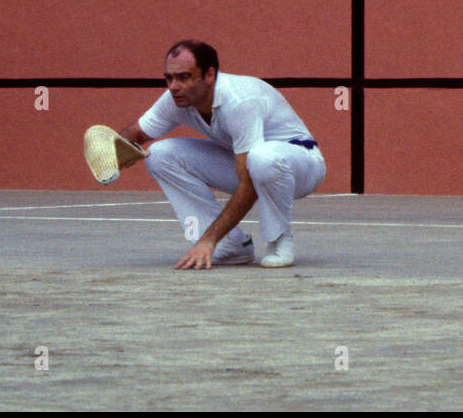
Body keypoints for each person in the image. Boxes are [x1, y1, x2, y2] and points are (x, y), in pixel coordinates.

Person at [118, 40, 325, 269]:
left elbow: (248, 185)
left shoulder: (239, 100)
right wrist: (110, 154)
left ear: (209, 75)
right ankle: (230, 246)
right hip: (252, 164)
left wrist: (209, 239)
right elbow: (136, 133)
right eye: (169, 78)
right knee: (158, 155)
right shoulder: (176, 99)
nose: (174, 86)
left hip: (302, 165)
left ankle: (279, 238)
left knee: (262, 158)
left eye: (184, 77)